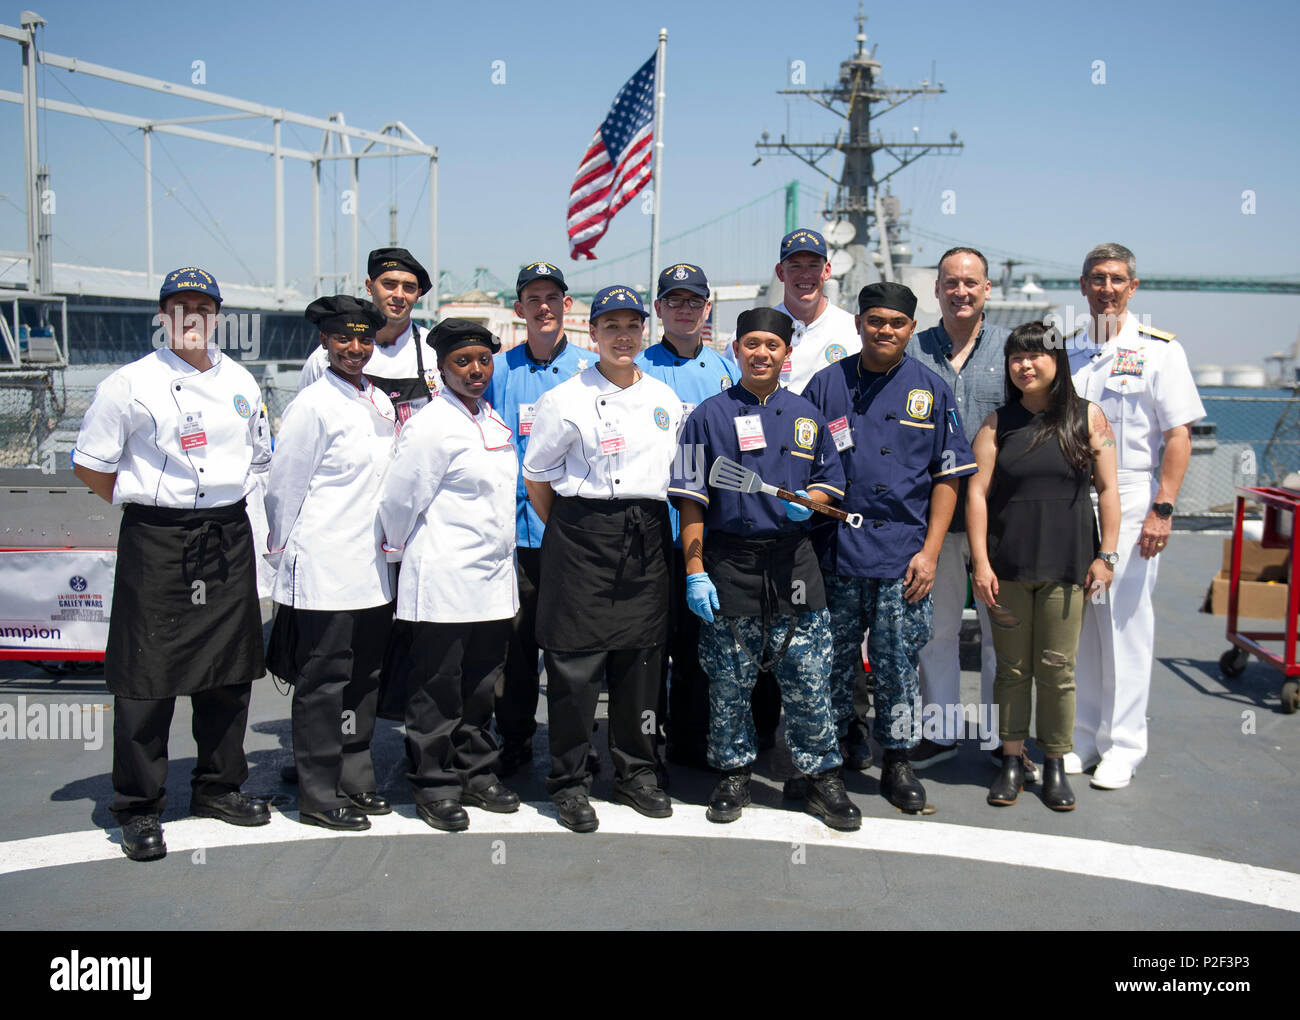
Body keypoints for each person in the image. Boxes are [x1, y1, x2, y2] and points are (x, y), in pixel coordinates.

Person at [72, 267, 272, 861]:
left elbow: (258, 455)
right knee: (145, 673)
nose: (191, 317)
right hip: (158, 540)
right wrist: (150, 505)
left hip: (227, 532)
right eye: (179, 307)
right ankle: (138, 805)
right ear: (163, 316)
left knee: (230, 670)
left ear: (216, 316)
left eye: (203, 307)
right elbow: (91, 465)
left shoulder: (242, 380)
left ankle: (218, 786)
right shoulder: (128, 384)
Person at [670, 308, 859, 830]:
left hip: (795, 558)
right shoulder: (707, 415)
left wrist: (812, 500)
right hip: (730, 559)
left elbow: (830, 482)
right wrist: (694, 569)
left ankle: (821, 778)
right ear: (736, 349)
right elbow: (690, 500)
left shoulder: (807, 416)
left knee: (809, 675)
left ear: (786, 354)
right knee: (729, 680)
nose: (761, 353)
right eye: (751, 343)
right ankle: (733, 774)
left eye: (772, 346)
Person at [803, 281, 976, 813]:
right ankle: (827, 760)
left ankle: (897, 761)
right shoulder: (826, 385)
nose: (885, 330)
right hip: (835, 549)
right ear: (858, 324)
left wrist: (929, 551)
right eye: (875, 320)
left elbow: (948, 475)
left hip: (904, 554)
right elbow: (799, 459)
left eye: (897, 323)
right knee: (831, 662)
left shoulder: (931, 388)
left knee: (898, 662)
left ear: (910, 328)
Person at [522, 285, 682, 833]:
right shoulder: (563, 399)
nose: (622, 336)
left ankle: (636, 771)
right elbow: (537, 477)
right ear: (592, 334)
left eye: (632, 326)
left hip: (648, 536)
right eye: (610, 326)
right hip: (582, 534)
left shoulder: (664, 398)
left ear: (645, 332)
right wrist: (573, 533)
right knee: (574, 667)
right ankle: (569, 780)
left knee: (641, 663)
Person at [1066, 243, 1205, 789]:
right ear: (1082, 286)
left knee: (1124, 623)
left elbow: (1178, 436)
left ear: (1133, 288)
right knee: (1078, 623)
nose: (1107, 288)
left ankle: (1123, 745)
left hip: (1129, 492)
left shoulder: (1160, 352)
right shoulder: (1067, 351)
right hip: (1073, 498)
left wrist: (1162, 509)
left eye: (1117, 279)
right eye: (1097, 278)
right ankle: (1082, 736)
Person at [968, 322, 1121, 809]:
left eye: (1036, 356)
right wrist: (981, 561)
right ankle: (1012, 760)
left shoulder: (1087, 417)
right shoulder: (997, 423)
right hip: (1007, 567)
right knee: (1011, 669)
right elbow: (976, 492)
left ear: (1058, 363)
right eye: (1016, 358)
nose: (1025, 365)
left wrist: (1107, 554)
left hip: (1067, 566)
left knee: (1058, 669)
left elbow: (1109, 489)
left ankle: (1055, 762)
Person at [379, 319, 520, 832]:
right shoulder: (431, 425)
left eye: (483, 360)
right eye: (463, 361)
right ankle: (433, 783)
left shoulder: (489, 418)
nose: (476, 370)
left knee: (481, 686)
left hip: (490, 582)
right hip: (442, 578)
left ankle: (476, 771)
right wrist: (397, 554)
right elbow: (399, 499)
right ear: (441, 370)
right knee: (437, 689)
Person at [264, 295, 395, 831]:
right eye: (344, 338)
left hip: (371, 564)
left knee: (364, 678)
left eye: (364, 339)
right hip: (323, 563)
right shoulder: (312, 405)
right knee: (322, 683)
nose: (355, 348)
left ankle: (355, 776)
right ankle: (318, 791)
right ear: (325, 341)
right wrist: (281, 558)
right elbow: (282, 488)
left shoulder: (379, 400)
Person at [906, 247, 1017, 774]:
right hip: (934, 516)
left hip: (1000, 518)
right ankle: (940, 731)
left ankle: (1001, 738)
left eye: (971, 283)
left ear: (987, 289)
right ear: (937, 290)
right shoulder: (914, 351)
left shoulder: (1011, 350)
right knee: (938, 627)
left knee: (1001, 630)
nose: (961, 292)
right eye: (951, 282)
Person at [487, 261, 588, 777]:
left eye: (553, 297)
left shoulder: (594, 368)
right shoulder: (497, 371)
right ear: (519, 308)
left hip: (575, 535)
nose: (544, 306)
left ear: (567, 305)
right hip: (515, 532)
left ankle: (578, 741)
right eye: (533, 298)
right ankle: (516, 737)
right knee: (517, 647)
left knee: (576, 646)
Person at [637, 262, 738, 770]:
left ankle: (692, 742)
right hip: (651, 529)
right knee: (652, 645)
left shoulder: (728, 369)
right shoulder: (635, 365)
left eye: (693, 301)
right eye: (673, 301)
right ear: (658, 309)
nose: (684, 309)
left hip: (709, 531)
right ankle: (644, 746)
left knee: (703, 647)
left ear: (706, 309)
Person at [297, 246, 441, 421]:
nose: (399, 295)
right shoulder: (325, 357)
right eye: (389, 284)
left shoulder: (435, 350)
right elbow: (305, 420)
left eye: (409, 287)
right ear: (369, 286)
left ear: (418, 294)